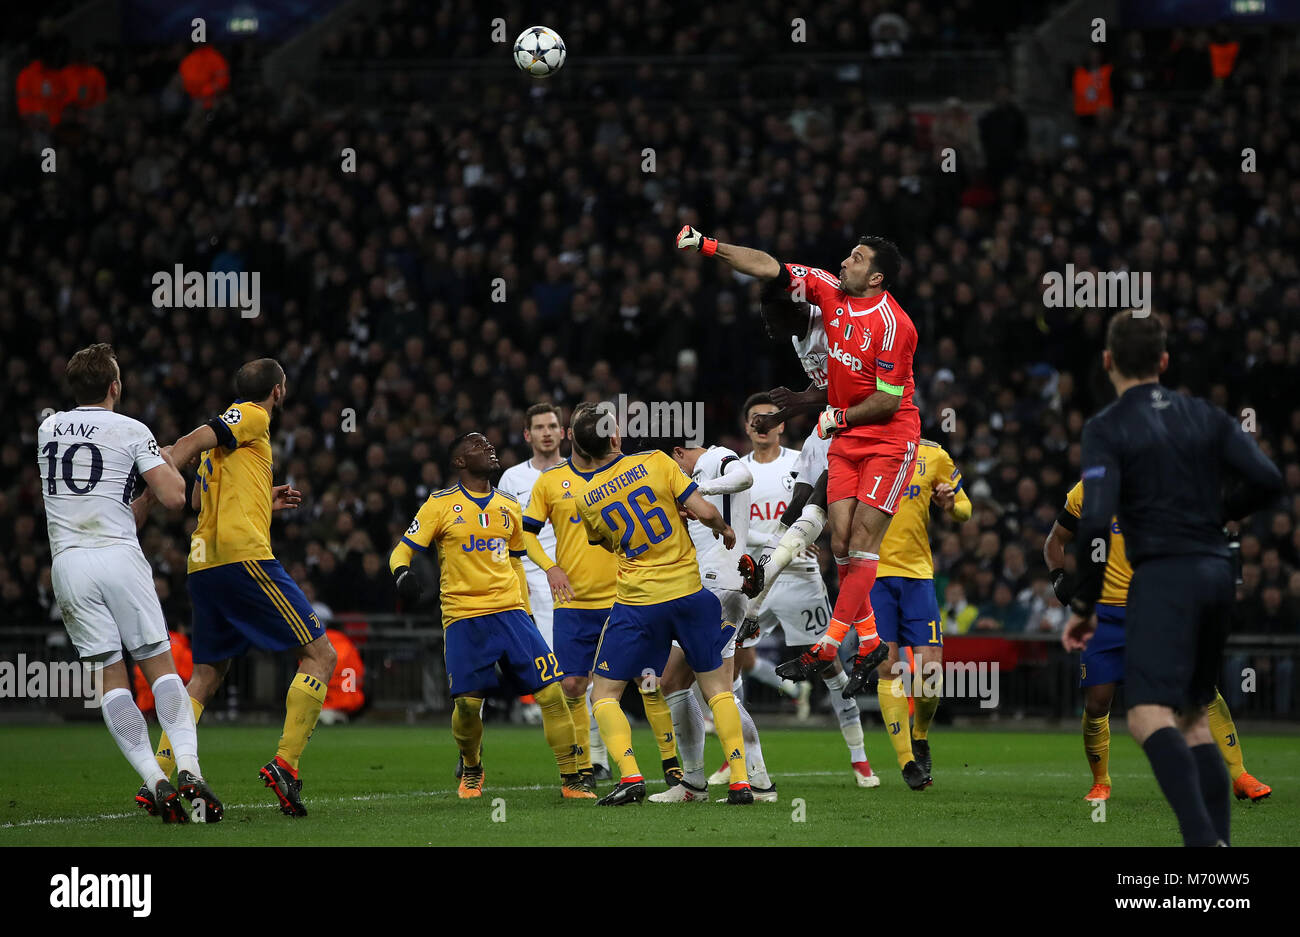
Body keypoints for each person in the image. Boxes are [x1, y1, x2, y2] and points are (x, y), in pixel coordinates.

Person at [1063, 312, 1283, 846]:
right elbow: (1269, 481)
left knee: (1145, 717)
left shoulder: (1107, 427)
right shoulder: (1205, 416)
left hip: (1164, 575)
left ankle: (1202, 844)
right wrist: (1222, 512)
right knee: (1194, 717)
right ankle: (1219, 848)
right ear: (1164, 361)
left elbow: (1094, 522)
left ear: (1108, 361)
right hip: (1216, 575)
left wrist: (1084, 604)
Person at [677, 226, 919, 693]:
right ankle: (867, 639)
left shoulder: (873, 324)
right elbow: (768, 265)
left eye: (772, 317)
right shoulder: (823, 299)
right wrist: (708, 245)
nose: (769, 327)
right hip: (837, 428)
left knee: (813, 508)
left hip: (872, 431)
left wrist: (801, 405)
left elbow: (873, 392)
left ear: (876, 276)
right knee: (834, 537)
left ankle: (773, 595)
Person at [39, 343, 220, 823]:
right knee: (160, 669)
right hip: (119, 556)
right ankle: (189, 769)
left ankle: (153, 780)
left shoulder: (47, 429)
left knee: (111, 680)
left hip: (69, 564)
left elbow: (97, 495)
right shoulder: (130, 429)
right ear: (115, 387)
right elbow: (176, 497)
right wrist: (163, 462)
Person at [155, 358, 335, 817]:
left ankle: (158, 773)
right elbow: (195, 439)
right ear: (278, 390)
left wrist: (264, 500)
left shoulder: (230, 447)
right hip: (242, 557)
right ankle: (286, 765)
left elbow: (199, 499)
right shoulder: (250, 414)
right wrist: (163, 463)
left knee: (208, 675)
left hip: (205, 565)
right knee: (320, 655)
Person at [389, 431, 591, 800]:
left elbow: (515, 563)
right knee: (467, 705)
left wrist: (526, 612)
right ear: (460, 462)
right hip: (464, 617)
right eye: (477, 446)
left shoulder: (508, 504)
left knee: (551, 693)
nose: (489, 448)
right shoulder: (439, 504)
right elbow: (400, 553)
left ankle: (572, 778)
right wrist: (403, 574)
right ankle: (471, 766)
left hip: (512, 613)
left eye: (489, 444)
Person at [1047, 476, 1272, 803]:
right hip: (1104, 617)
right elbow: (1054, 540)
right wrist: (1058, 580)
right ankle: (1101, 782)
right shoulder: (1087, 490)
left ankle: (1240, 775)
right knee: (1097, 702)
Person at [571, 406, 753, 805]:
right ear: (616, 438)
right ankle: (740, 780)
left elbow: (601, 540)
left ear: (580, 451)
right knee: (717, 689)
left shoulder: (585, 498)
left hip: (638, 604)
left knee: (603, 693)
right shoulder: (656, 462)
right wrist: (722, 528)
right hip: (689, 594)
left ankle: (631, 775)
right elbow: (704, 510)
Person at [522, 402, 672, 793]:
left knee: (649, 680)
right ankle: (584, 768)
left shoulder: (627, 475)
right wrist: (550, 567)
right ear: (575, 435)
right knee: (572, 685)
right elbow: (526, 534)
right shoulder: (550, 482)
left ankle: (671, 765)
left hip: (626, 597)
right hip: (574, 605)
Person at [653, 435, 775, 802]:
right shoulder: (706, 486)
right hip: (720, 589)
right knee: (687, 684)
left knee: (700, 687)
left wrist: (695, 487)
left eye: (674, 468)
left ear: (678, 453)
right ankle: (749, 780)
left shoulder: (717, 458)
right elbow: (739, 525)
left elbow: (744, 476)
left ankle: (706, 783)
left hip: (714, 591)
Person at [870, 438, 971, 791]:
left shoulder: (934, 454)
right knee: (888, 665)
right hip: (875, 575)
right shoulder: (867, 448)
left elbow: (965, 509)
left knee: (930, 673)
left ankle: (920, 734)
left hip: (917, 576)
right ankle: (907, 761)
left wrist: (948, 504)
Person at [497, 402, 565, 726]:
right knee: (556, 666)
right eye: (539, 427)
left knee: (586, 667)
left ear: (563, 432)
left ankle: (591, 749)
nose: (547, 433)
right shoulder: (512, 478)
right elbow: (503, 532)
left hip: (577, 576)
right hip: (532, 580)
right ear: (527, 434)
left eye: (552, 426)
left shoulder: (577, 472)